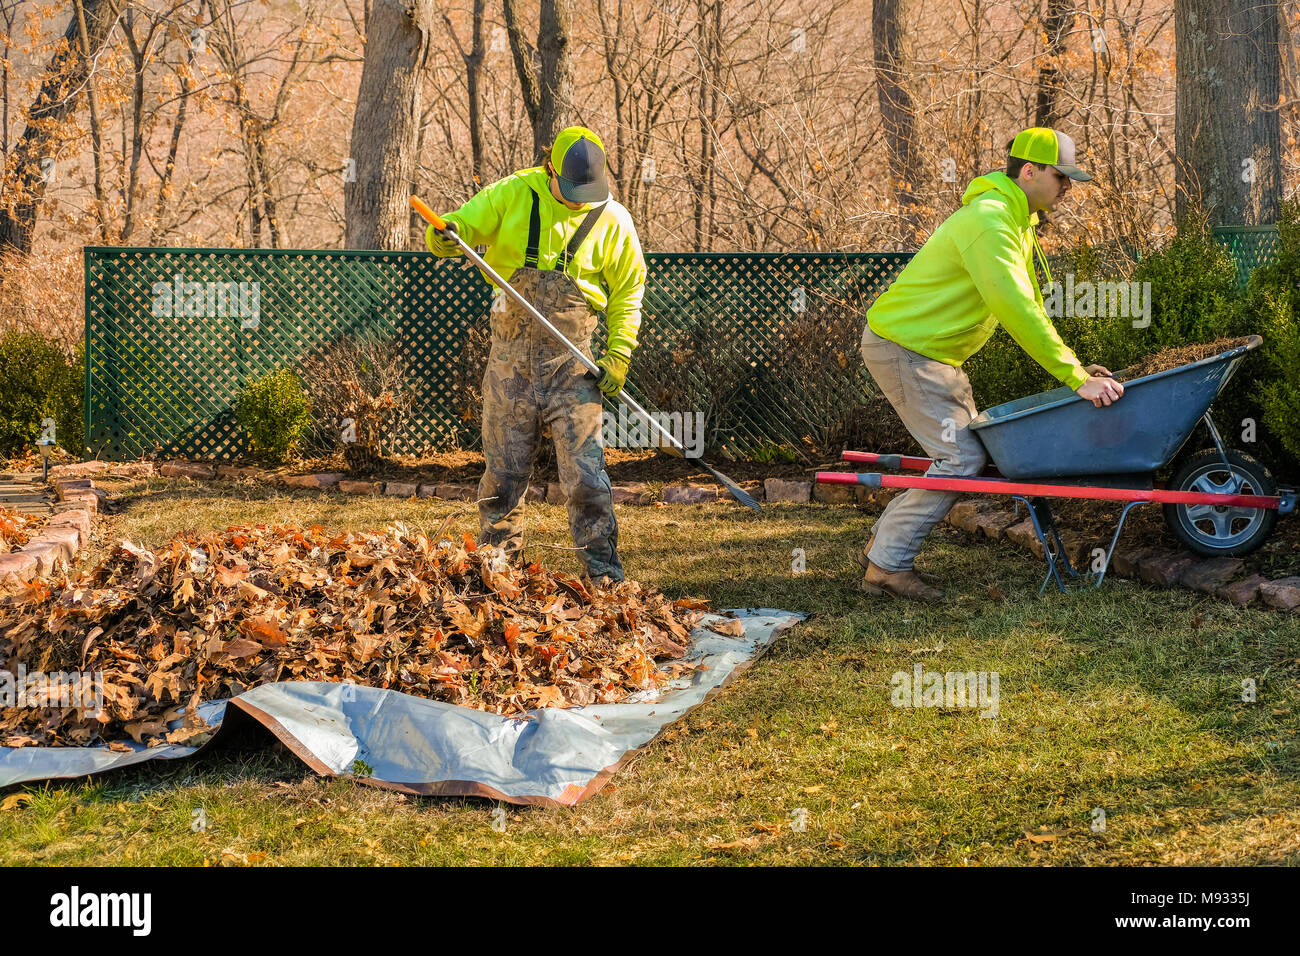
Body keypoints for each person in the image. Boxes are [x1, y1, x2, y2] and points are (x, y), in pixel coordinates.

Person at [856, 126, 1124, 602]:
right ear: (1030, 171)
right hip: (906, 349)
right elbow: (1015, 309)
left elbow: (1029, 305)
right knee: (960, 459)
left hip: (932, 355)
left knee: (960, 455)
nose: (1068, 187)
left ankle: (883, 547)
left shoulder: (1016, 220)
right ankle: (886, 567)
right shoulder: (990, 221)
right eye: (1062, 177)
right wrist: (1074, 377)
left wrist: (1078, 369)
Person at [424, 126, 647, 583]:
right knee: (502, 479)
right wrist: (444, 236)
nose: (580, 200)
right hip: (509, 365)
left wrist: (619, 355)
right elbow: (459, 226)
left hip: (574, 369)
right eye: (571, 191)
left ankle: (603, 577)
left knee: (587, 480)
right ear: (550, 169)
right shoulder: (512, 193)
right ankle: (497, 575)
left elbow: (628, 292)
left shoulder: (614, 220)